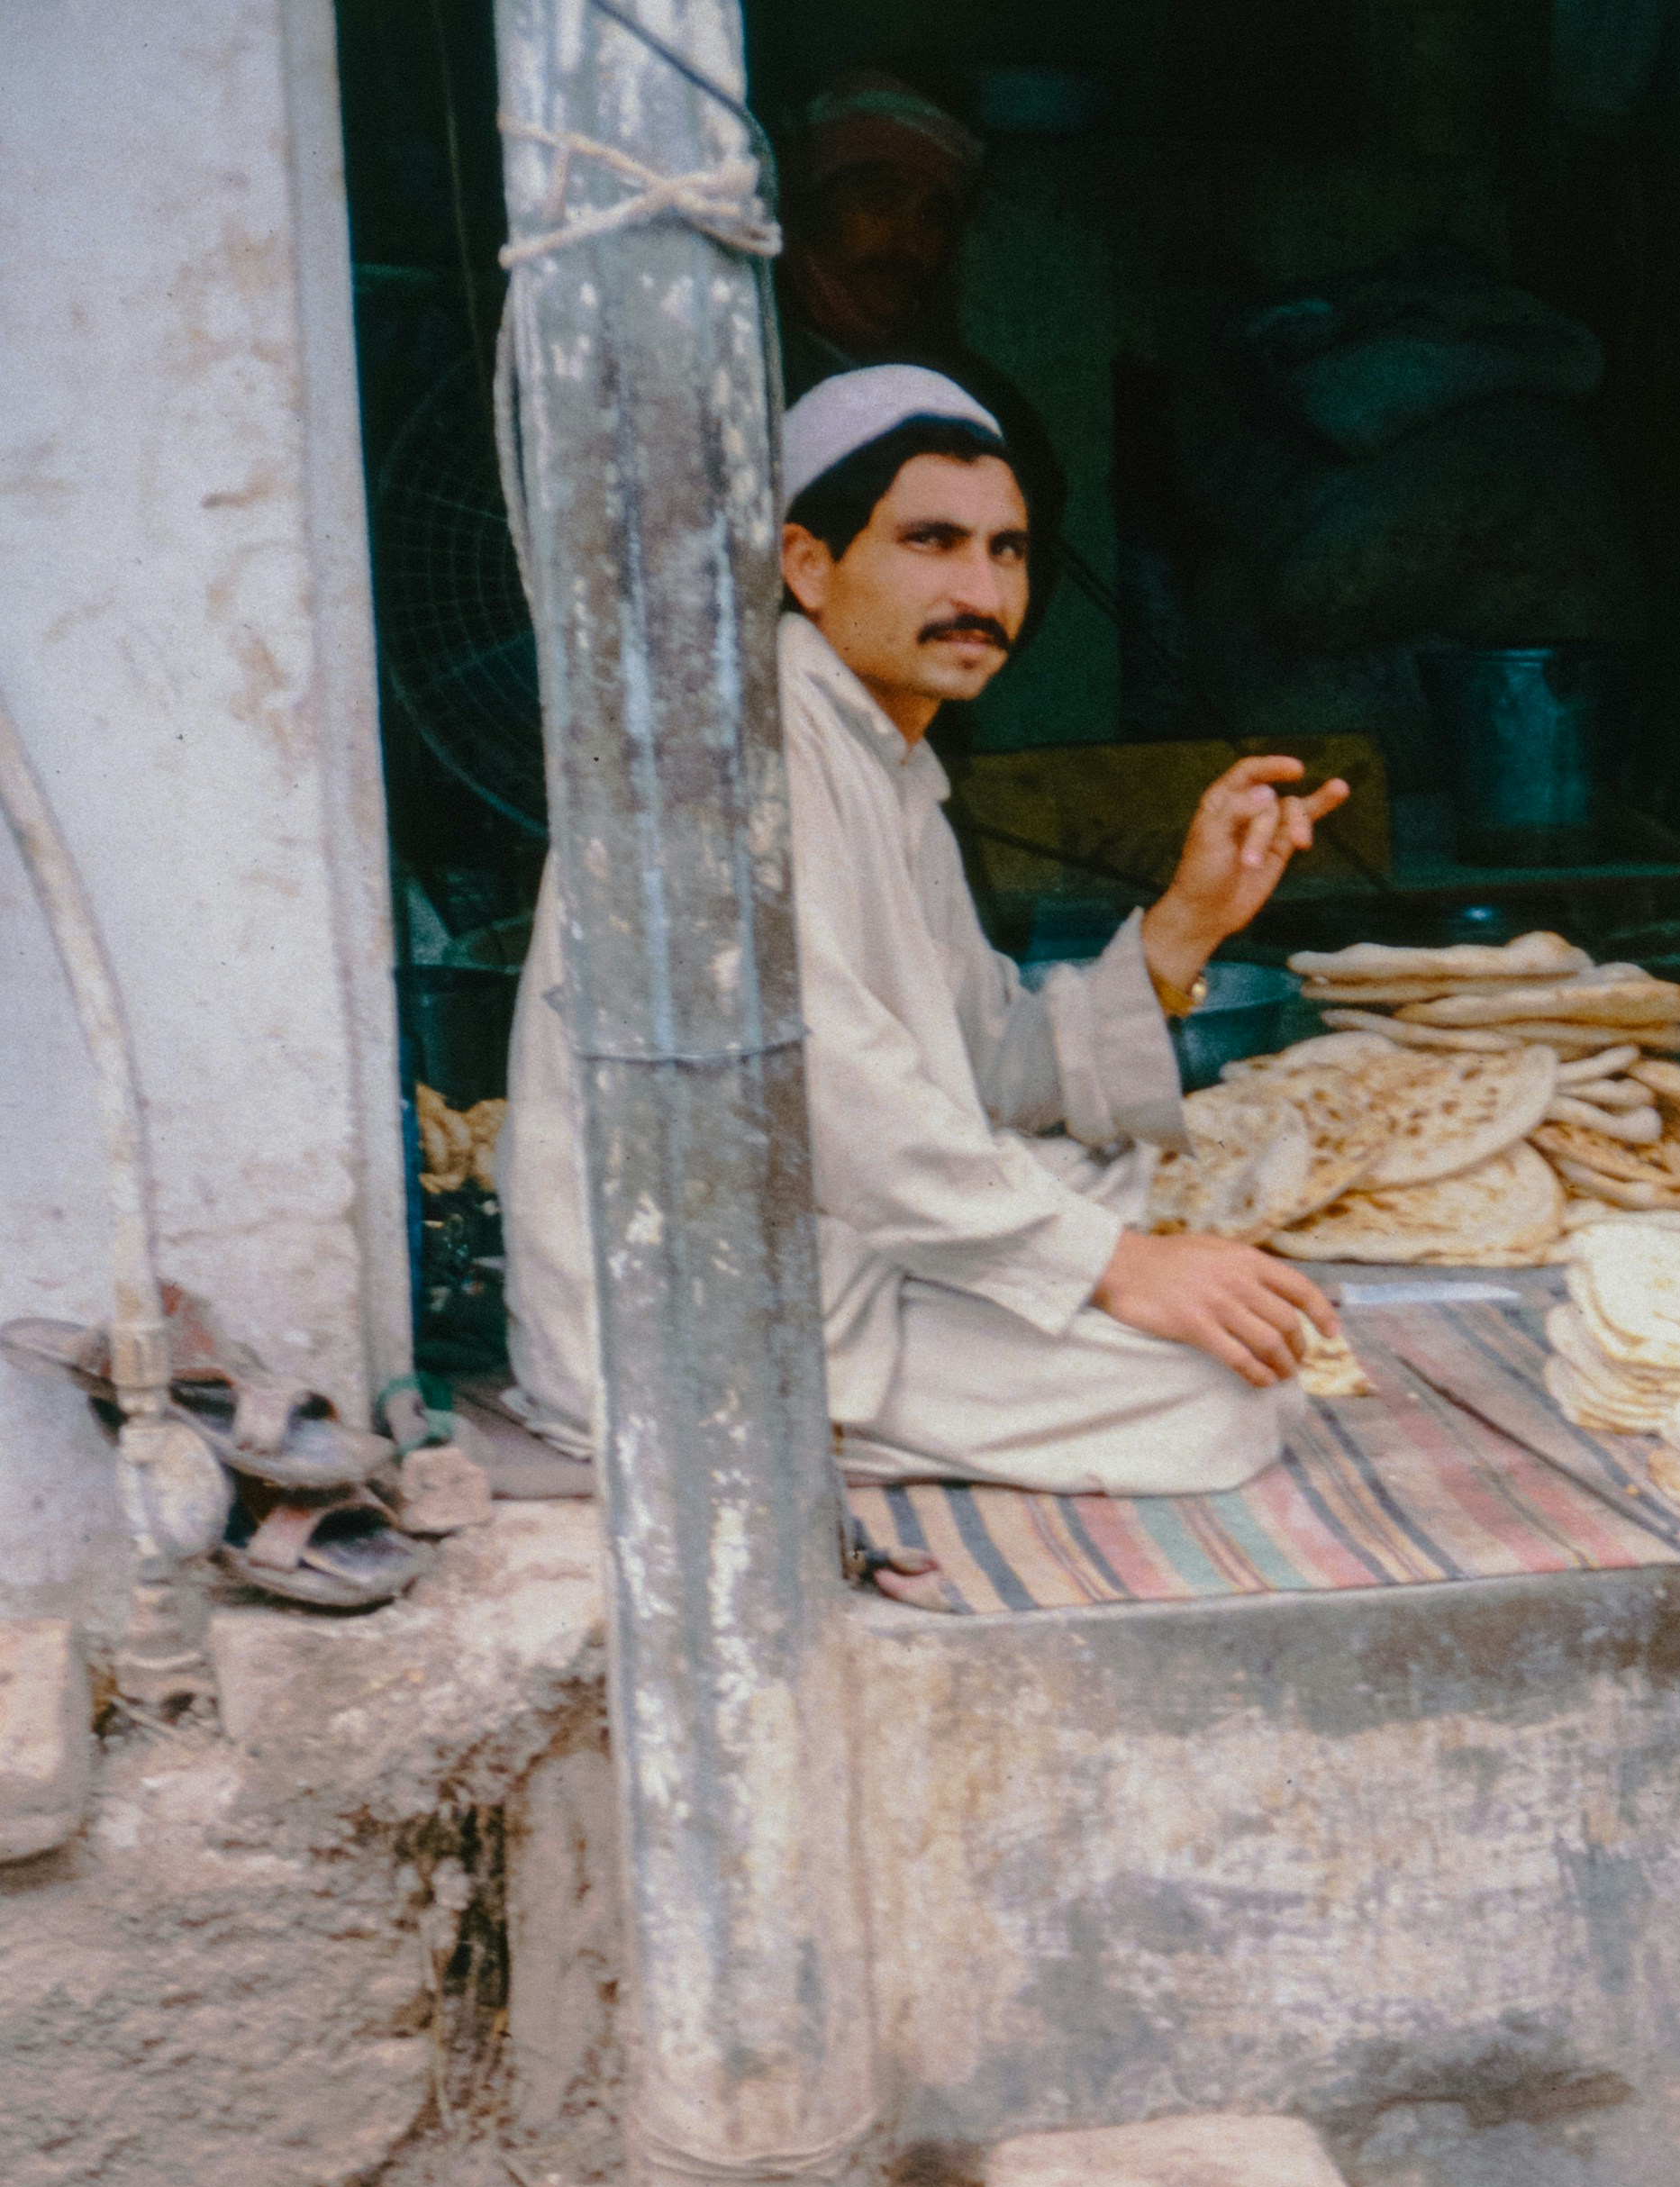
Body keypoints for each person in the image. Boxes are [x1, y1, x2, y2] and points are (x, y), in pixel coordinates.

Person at [501, 368, 1346, 1511]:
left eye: (1005, 550)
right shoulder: (735, 759)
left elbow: (987, 1072)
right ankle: (776, 1440)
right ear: (807, 564)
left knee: (1119, 1186)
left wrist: (1185, 922)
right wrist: (1111, 1268)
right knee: (1223, 1395)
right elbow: (834, 1097)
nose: (979, 587)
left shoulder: (882, 755)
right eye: (932, 541)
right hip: (706, 1320)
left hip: (841, 1259)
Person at [774, 65, 1069, 607]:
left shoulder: (986, 411)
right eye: (879, 199)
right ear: (810, 200)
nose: (908, 239)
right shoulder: (744, 371)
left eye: (933, 215)